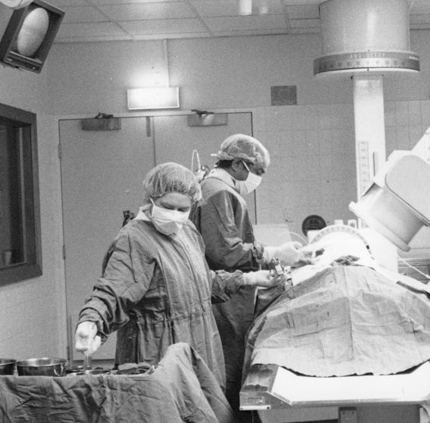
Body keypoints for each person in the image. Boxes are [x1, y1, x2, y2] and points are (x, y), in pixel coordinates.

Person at [74, 162, 282, 390]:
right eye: (167, 206)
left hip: (199, 350)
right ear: (150, 199)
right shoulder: (135, 240)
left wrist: (251, 279)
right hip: (157, 356)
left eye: (183, 209)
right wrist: (91, 320)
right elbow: (114, 290)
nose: (175, 215)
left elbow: (200, 281)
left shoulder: (187, 232)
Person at [192, 134, 313, 423]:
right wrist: (273, 253)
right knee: (228, 388)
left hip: (229, 303)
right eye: (257, 171)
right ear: (241, 165)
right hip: (225, 308)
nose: (257, 179)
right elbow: (227, 253)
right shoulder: (219, 192)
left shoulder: (216, 189)